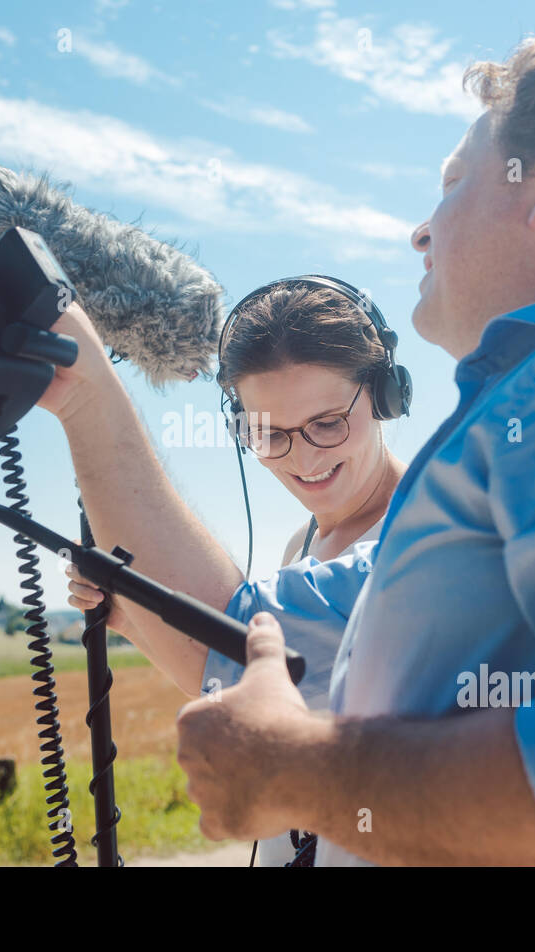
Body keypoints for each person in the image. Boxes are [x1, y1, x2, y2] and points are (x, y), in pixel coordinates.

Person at [39, 38, 535, 865]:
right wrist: (86, 392)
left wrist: (302, 772)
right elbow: (234, 640)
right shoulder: (526, 433)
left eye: (457, 179)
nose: (422, 229)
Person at [64, 278, 407, 866]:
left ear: (384, 395)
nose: (305, 458)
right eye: (269, 433)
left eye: (327, 422)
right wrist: (130, 619)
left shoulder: (426, 536)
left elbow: (224, 642)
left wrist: (86, 396)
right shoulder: (301, 544)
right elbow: (250, 682)